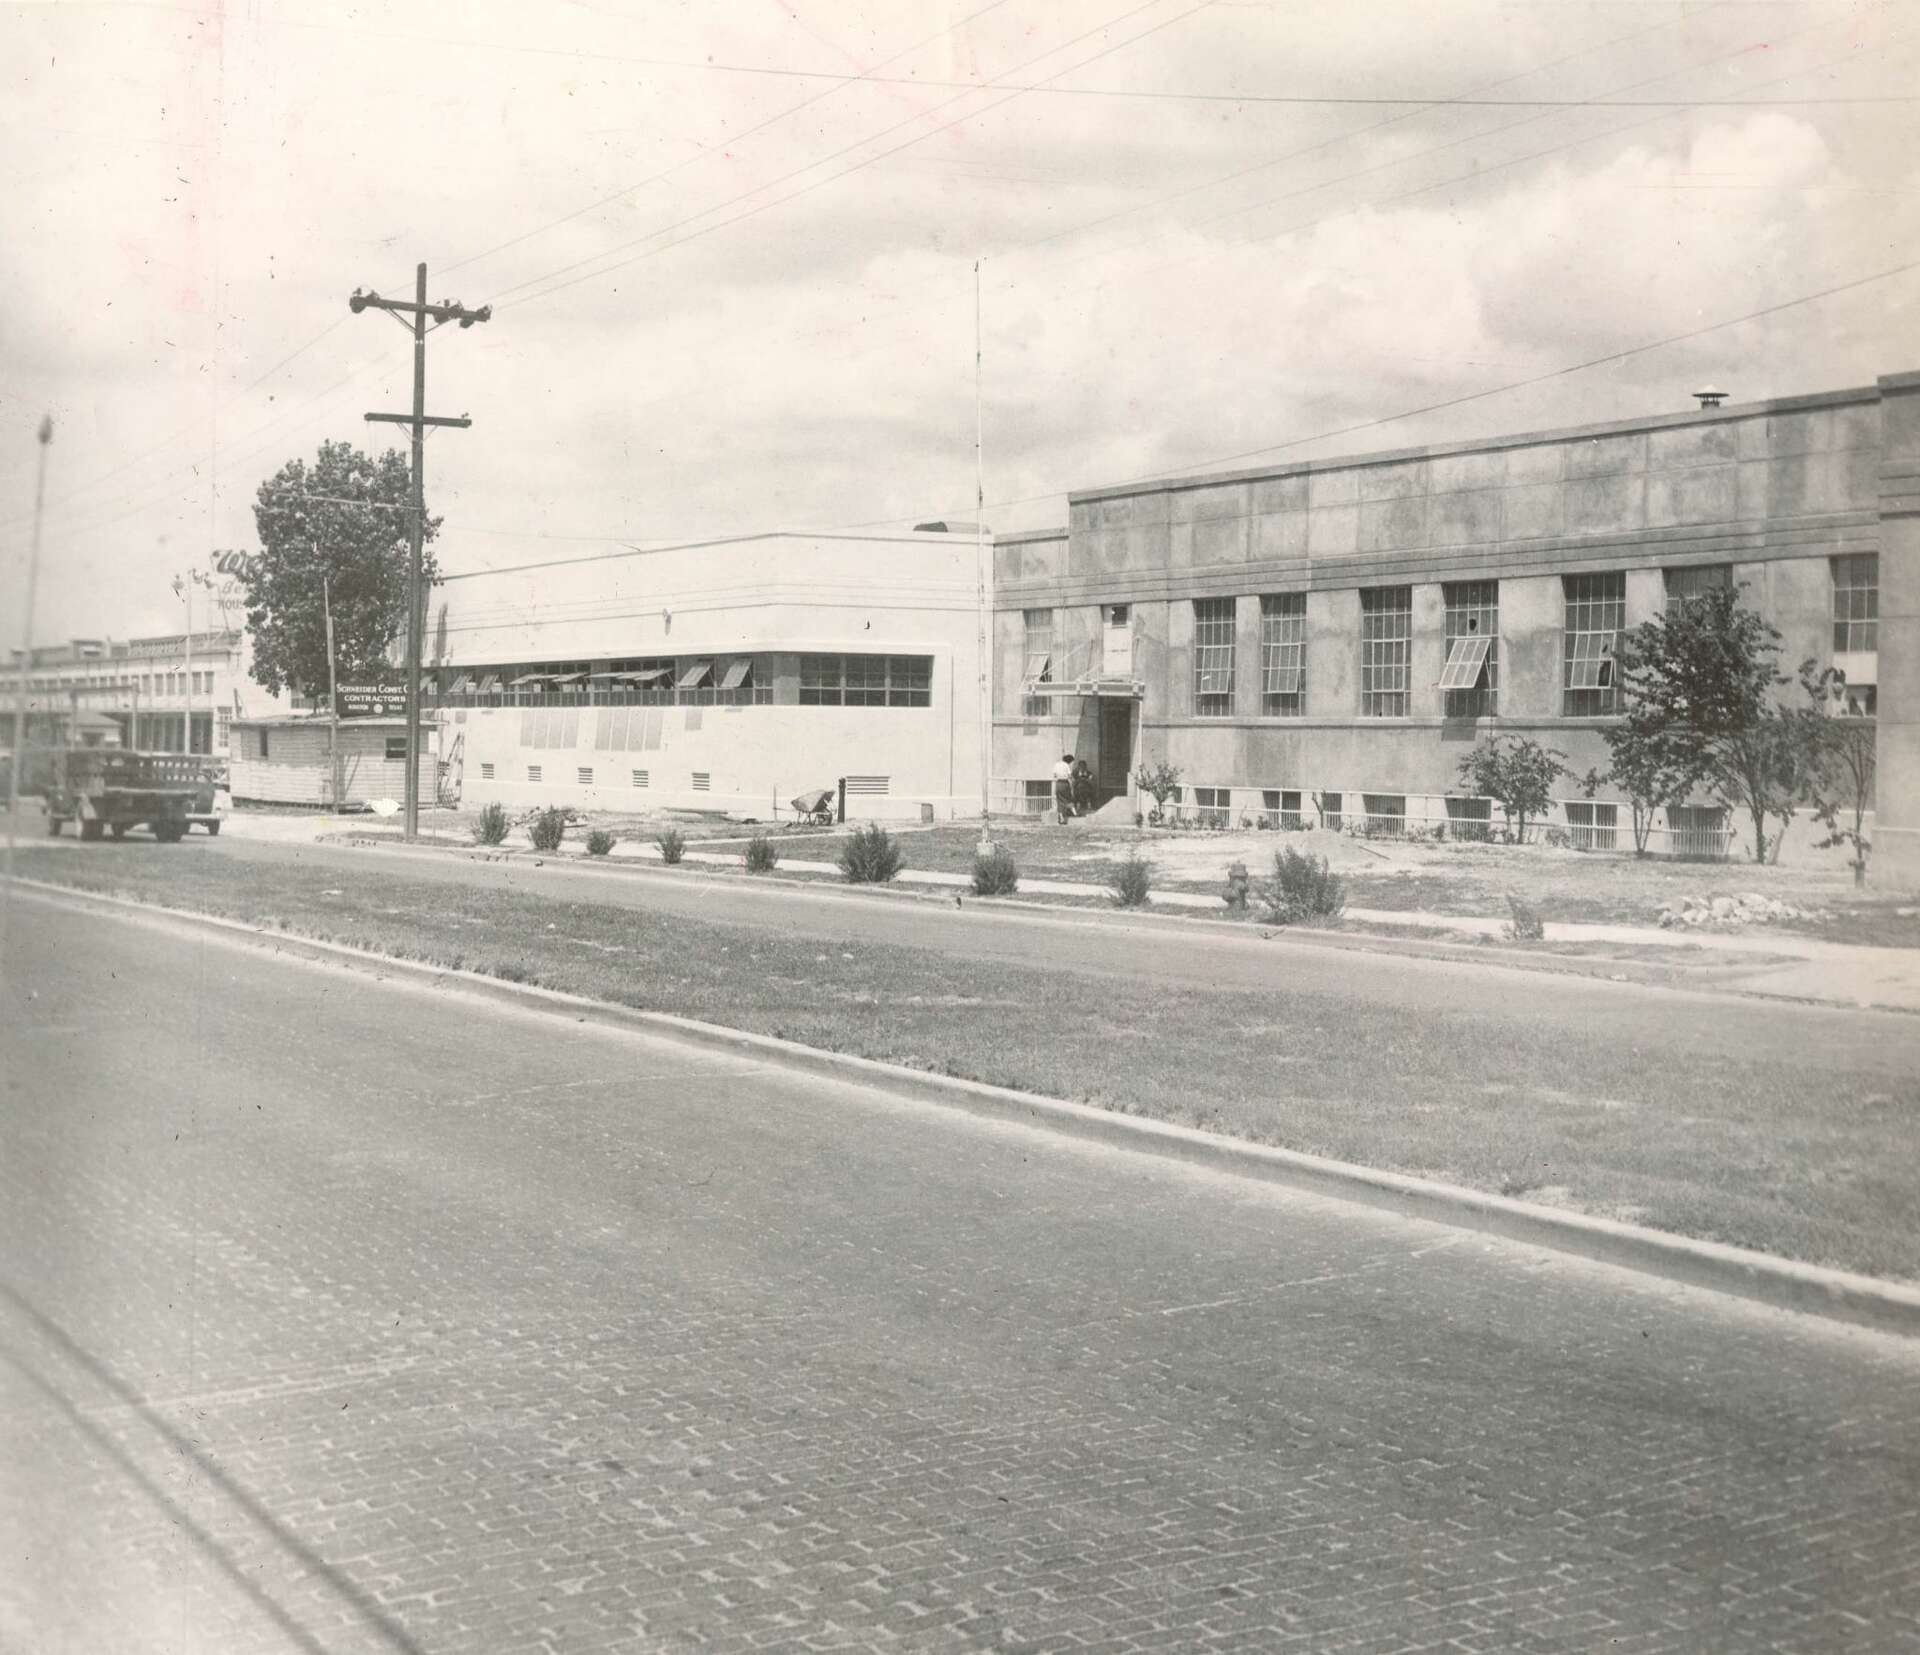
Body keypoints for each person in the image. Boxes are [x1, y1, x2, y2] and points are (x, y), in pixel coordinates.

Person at [1050, 753, 1074, 824]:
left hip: (1058, 783)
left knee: (1059, 801)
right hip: (1065, 783)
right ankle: (1074, 812)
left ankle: (1061, 818)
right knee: (1068, 799)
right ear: (1069, 761)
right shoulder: (1066, 765)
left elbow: (1054, 775)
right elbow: (1070, 775)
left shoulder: (1056, 764)